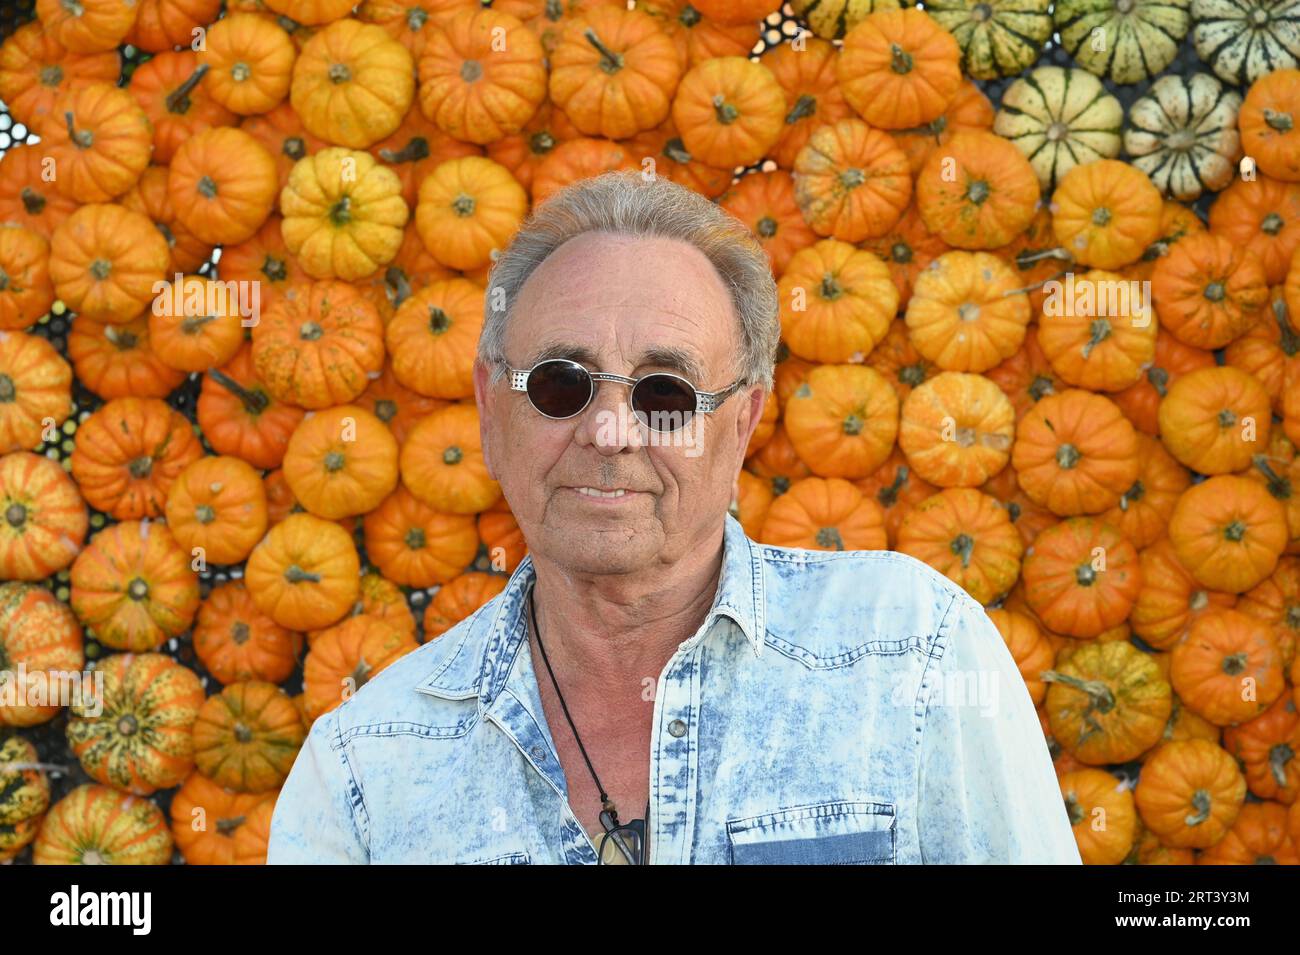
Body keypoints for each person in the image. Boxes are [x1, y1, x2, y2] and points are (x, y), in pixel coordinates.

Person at [268, 171, 1081, 865]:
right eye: (560, 384)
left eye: (666, 393)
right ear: (489, 407)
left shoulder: (915, 650)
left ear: (744, 421)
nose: (609, 431)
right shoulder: (368, 765)